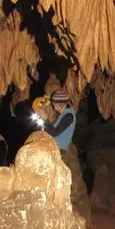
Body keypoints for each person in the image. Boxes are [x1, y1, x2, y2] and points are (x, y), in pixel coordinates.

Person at [40, 90, 90, 218]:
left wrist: (46, 120)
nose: (53, 107)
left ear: (59, 104)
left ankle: (73, 211)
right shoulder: (63, 114)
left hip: (63, 152)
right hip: (57, 150)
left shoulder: (68, 115)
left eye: (54, 104)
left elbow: (55, 132)